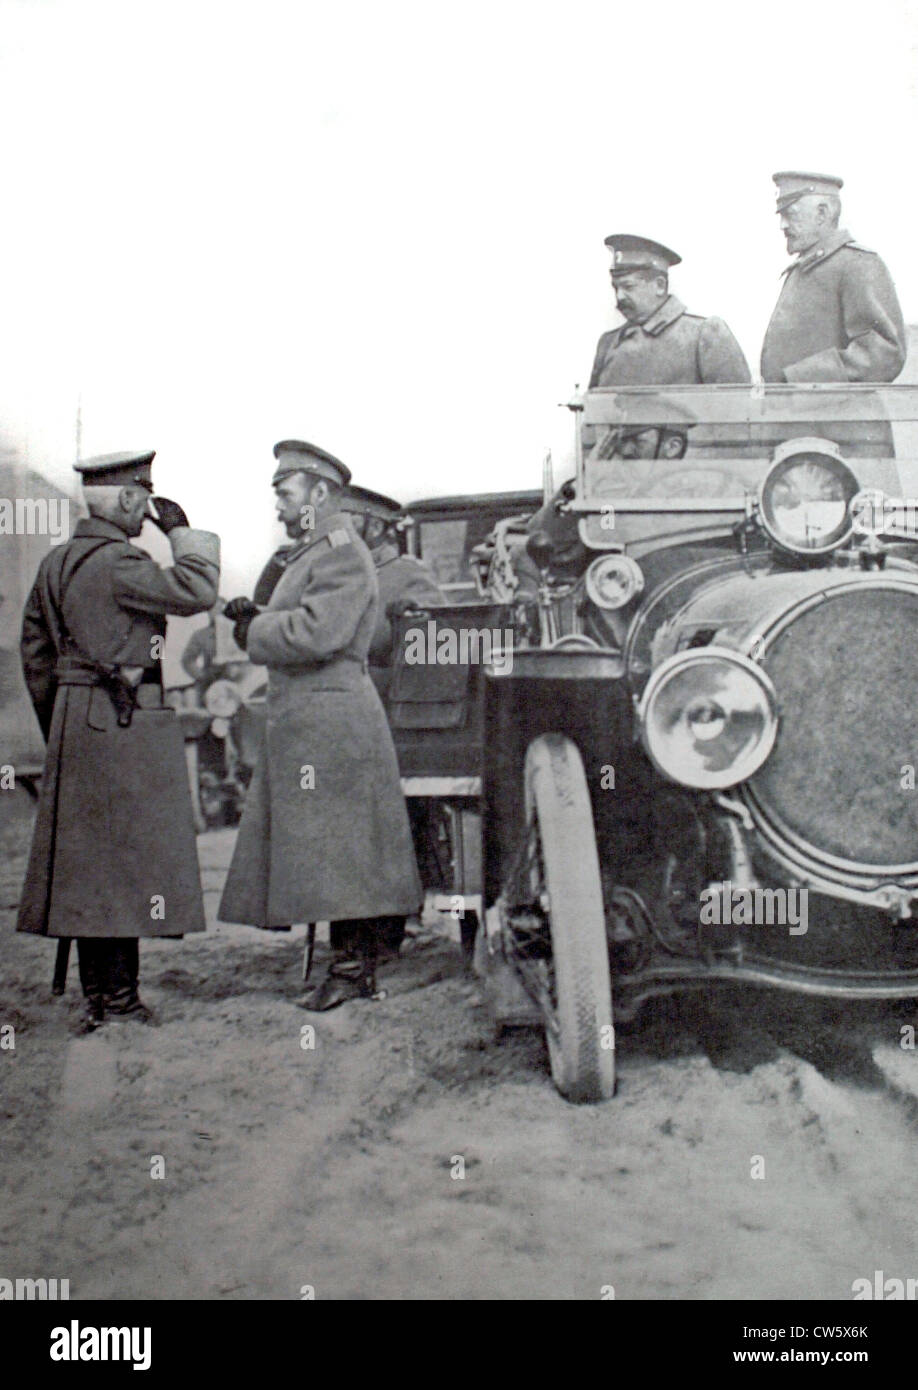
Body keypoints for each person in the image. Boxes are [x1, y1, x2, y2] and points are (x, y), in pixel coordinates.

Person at [17, 450, 220, 1031]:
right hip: (119, 720)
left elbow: (35, 657)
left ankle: (98, 999)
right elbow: (196, 590)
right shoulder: (121, 563)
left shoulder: (56, 563)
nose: (147, 506)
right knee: (124, 864)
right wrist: (182, 533)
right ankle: (122, 1000)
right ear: (130, 499)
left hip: (75, 721)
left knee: (88, 869)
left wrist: (60, 721)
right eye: (145, 495)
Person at [218, 440, 423, 1009]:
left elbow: (318, 633)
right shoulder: (314, 552)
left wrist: (251, 634)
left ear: (319, 493)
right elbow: (304, 621)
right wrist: (256, 618)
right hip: (315, 716)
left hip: (332, 717)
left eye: (285, 493)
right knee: (334, 849)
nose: (278, 505)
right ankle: (349, 968)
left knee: (347, 850)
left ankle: (354, 971)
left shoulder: (337, 550)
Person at [760, 172, 907, 383]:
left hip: (840, 414)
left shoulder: (856, 264)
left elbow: (885, 353)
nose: (782, 225)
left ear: (822, 213)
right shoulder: (805, 268)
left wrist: (798, 379)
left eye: (790, 214)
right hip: (803, 412)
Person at [589, 234, 751, 387]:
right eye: (615, 288)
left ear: (659, 285)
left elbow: (739, 408)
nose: (620, 296)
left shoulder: (704, 334)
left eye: (628, 287)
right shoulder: (608, 344)